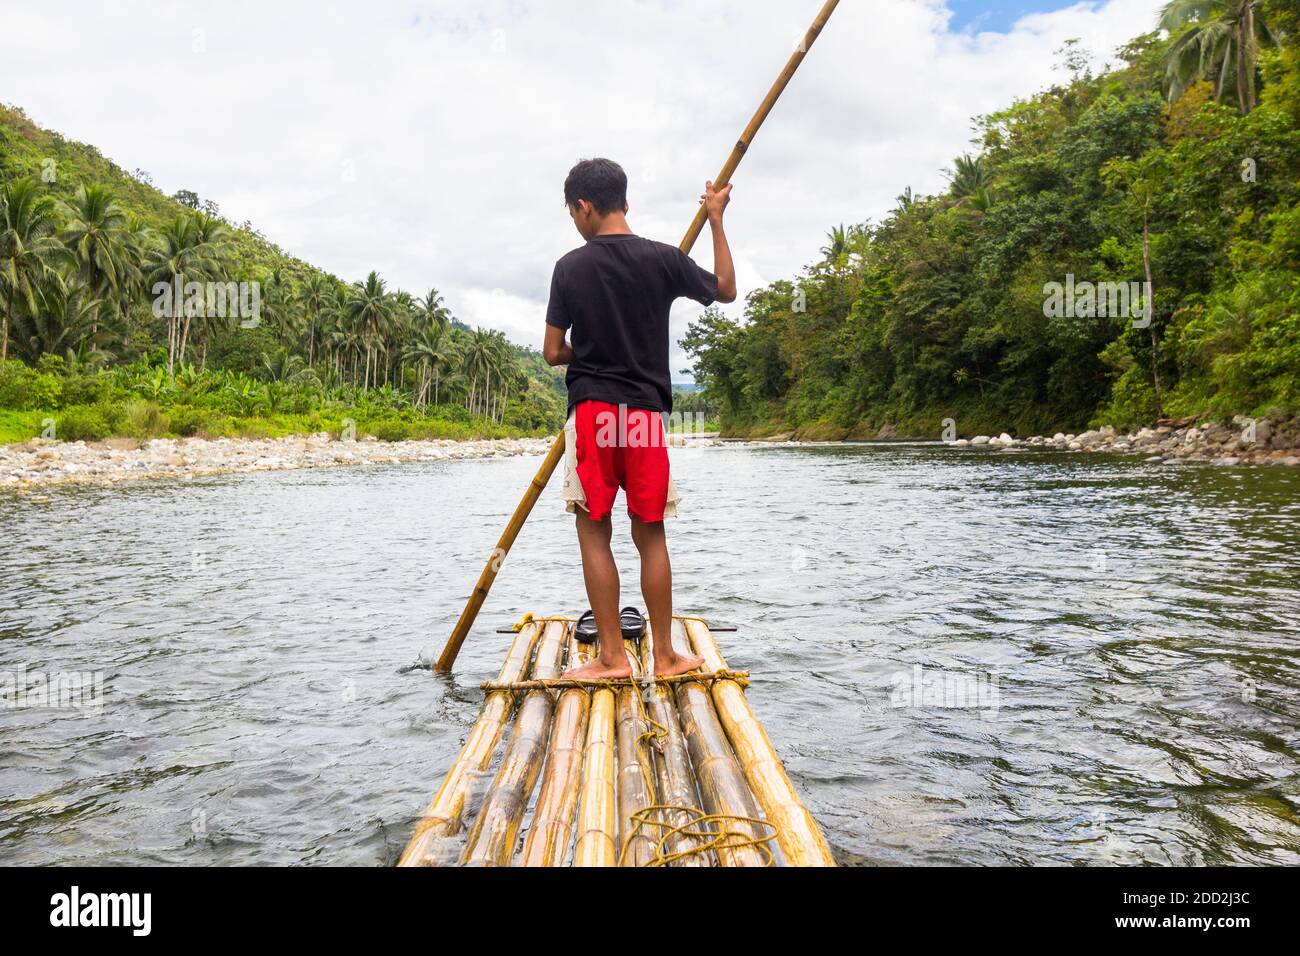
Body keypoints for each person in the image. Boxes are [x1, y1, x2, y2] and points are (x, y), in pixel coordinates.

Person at [542, 157, 736, 679]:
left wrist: (580, 349)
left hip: (595, 415)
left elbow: (552, 351)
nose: (575, 224)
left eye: (572, 213)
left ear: (584, 207)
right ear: (624, 202)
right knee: (650, 534)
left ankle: (611, 657)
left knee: (594, 530)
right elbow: (724, 289)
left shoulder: (570, 267)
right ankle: (667, 656)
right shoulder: (663, 260)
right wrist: (715, 217)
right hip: (645, 418)